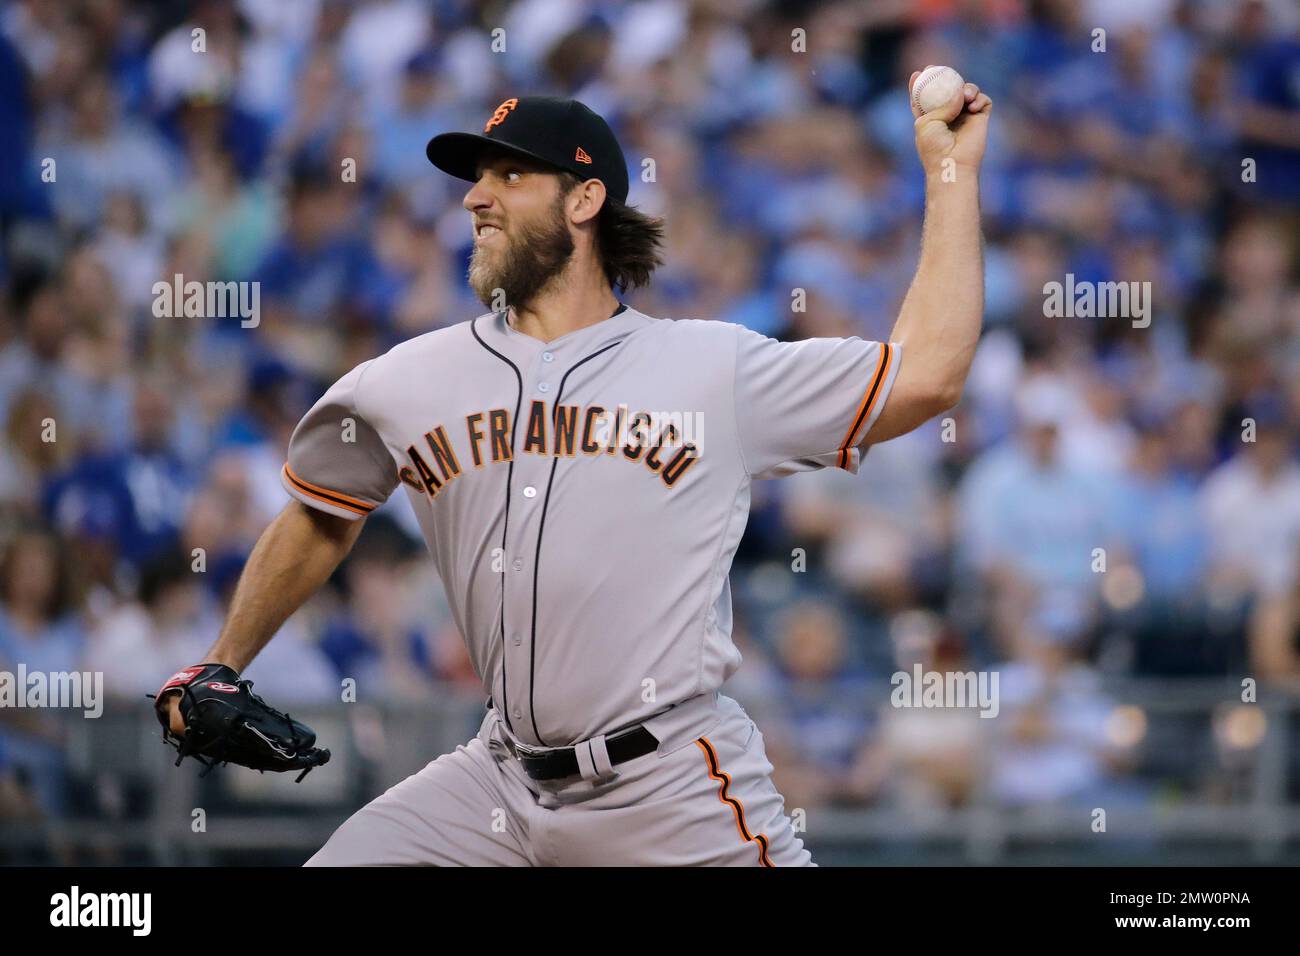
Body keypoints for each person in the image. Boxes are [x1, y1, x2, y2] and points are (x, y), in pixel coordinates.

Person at [156, 79, 992, 866]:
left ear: (585, 200)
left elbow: (924, 376)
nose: (475, 197)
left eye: (509, 175)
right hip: (495, 780)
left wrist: (949, 170)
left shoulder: (710, 368)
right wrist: (221, 660)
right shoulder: (406, 380)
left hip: (670, 784)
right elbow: (321, 513)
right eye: (476, 178)